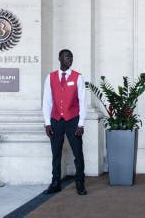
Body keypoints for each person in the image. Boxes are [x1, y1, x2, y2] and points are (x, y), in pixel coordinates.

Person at [42, 49, 87, 195]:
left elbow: (83, 101)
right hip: (56, 121)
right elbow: (47, 101)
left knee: (78, 154)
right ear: (59, 58)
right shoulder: (51, 77)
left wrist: (81, 124)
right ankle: (55, 183)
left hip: (73, 120)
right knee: (56, 154)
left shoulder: (78, 77)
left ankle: (80, 183)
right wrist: (47, 122)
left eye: (71, 57)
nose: (70, 59)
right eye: (67, 57)